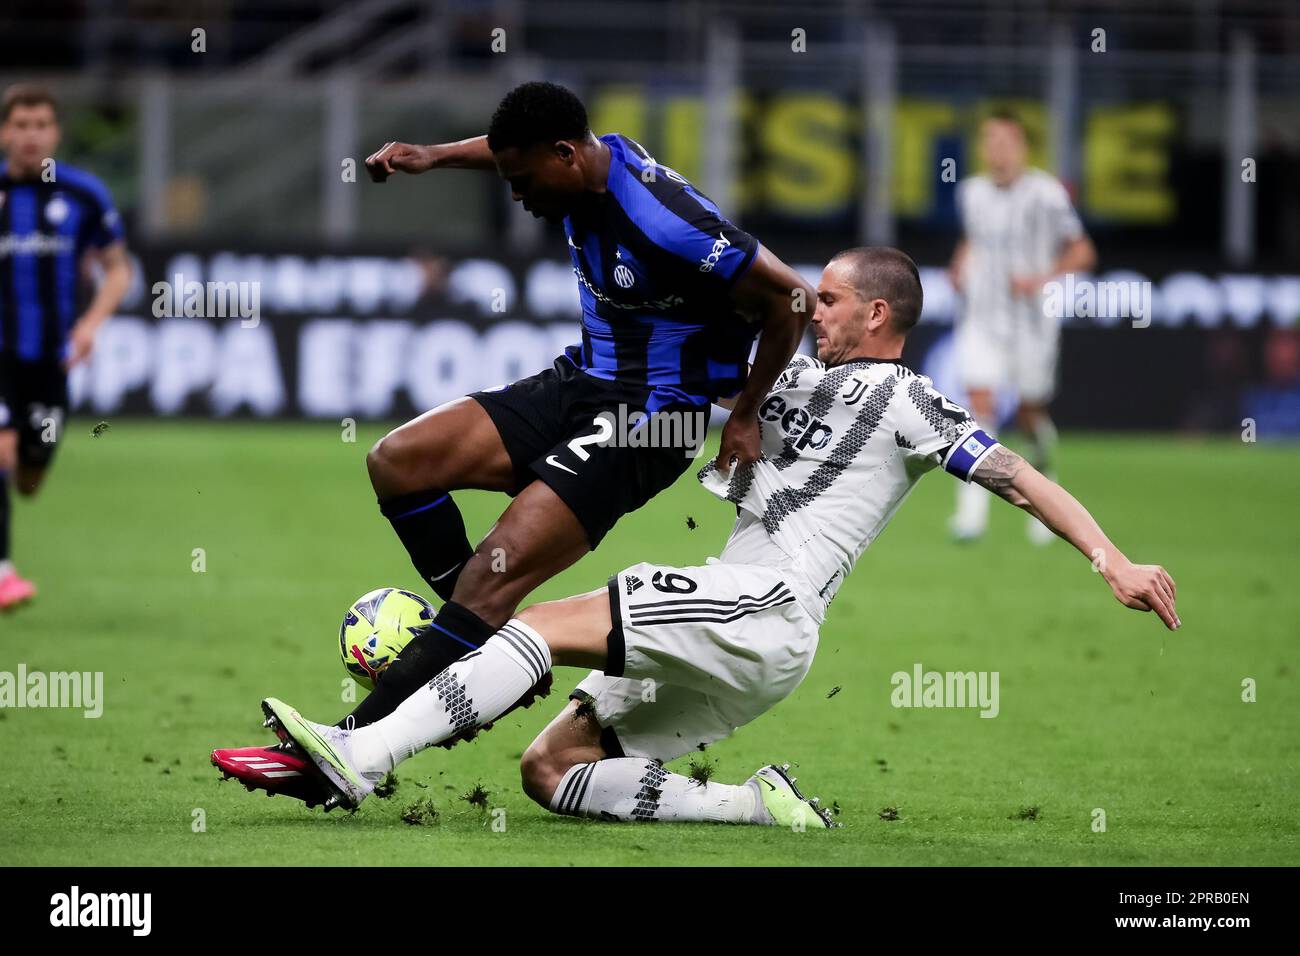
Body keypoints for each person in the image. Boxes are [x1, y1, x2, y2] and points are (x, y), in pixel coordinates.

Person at [228, 247, 1179, 825]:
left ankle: (366, 754)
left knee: (542, 623)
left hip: (769, 603)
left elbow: (1017, 477)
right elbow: (683, 373)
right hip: (746, 636)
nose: (813, 310)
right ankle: (753, 804)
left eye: (832, 300)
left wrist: (1110, 557)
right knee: (550, 770)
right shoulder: (786, 382)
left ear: (878, 313)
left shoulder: (911, 399)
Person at [213, 80, 812, 789]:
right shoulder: (579, 162)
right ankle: (476, 645)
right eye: (507, 174)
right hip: (584, 381)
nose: (518, 195)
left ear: (563, 156)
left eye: (523, 180)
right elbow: (507, 152)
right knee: (400, 461)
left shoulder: (663, 218)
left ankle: (351, 748)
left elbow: (791, 297)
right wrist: (431, 156)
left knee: (495, 567)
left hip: (658, 414)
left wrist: (744, 412)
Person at [0, 83, 131, 609]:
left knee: (28, 478)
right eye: (21, 125)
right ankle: (4, 571)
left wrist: (90, 325)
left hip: (52, 361)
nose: (31, 136)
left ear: (54, 132)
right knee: (2, 449)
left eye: (41, 125)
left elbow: (118, 269)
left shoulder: (83, 194)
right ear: (6, 131)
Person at [948, 110, 1096, 544]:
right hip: (982, 318)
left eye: (1005, 142)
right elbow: (974, 239)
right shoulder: (971, 193)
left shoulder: (1046, 194)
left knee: (1031, 414)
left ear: (1022, 148)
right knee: (979, 405)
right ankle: (971, 513)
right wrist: (960, 266)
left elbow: (1083, 251)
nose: (997, 151)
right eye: (989, 142)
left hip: (1033, 324)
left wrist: (1042, 278)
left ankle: (1046, 486)